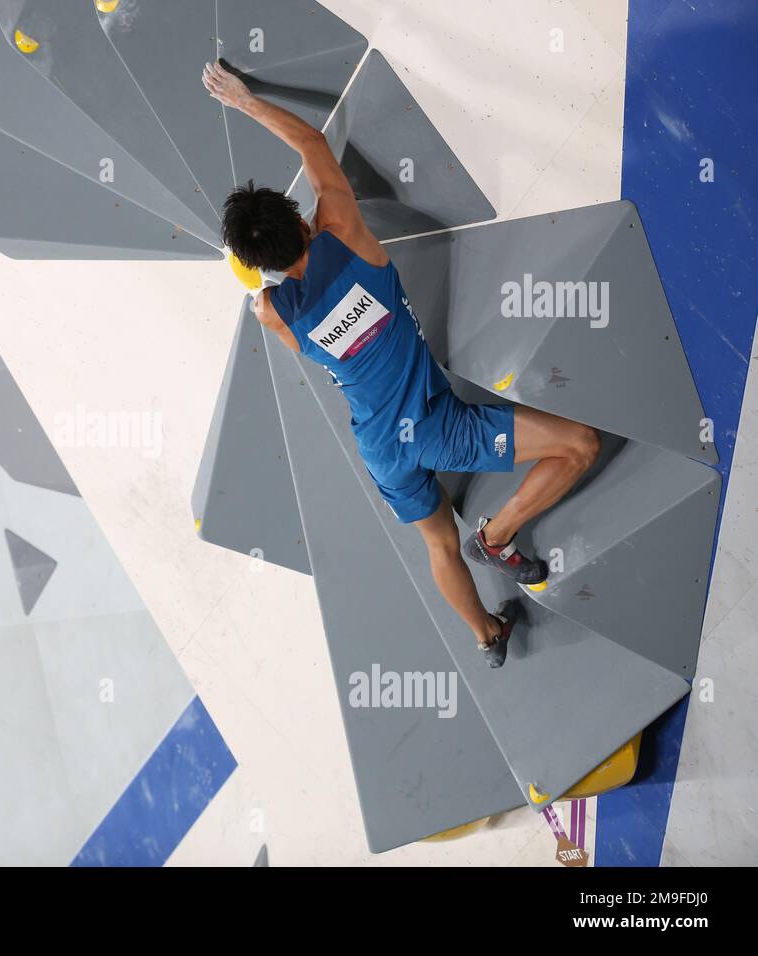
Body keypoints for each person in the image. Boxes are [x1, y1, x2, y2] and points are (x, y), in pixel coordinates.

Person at [202, 60, 599, 667]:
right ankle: (496, 539)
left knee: (438, 541)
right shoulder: (344, 231)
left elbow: (260, 294)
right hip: (435, 423)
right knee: (579, 445)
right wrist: (243, 100)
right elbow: (311, 143)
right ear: (302, 216)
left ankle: (487, 638)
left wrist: (257, 272)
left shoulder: (274, 313)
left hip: (382, 450)